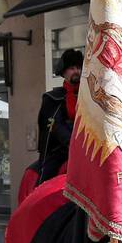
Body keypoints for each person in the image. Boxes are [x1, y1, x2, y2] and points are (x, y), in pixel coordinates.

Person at [26, 48, 82, 193]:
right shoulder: (53, 98)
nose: (76, 71)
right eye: (71, 68)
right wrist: (73, 143)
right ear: (64, 72)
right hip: (62, 149)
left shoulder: (87, 96)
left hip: (85, 146)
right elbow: (55, 125)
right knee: (47, 175)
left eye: (78, 67)